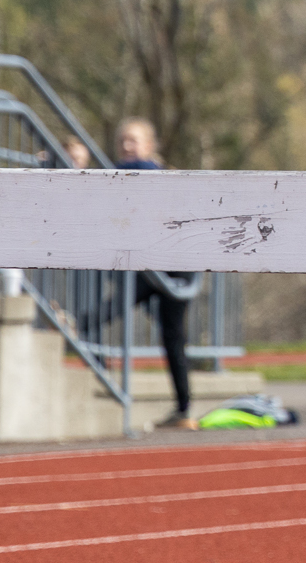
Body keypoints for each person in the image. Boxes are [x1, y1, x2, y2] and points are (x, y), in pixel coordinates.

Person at [113, 117, 197, 432]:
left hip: (173, 267)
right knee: (109, 310)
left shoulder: (147, 171)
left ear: (149, 146)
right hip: (149, 267)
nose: (125, 146)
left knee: (173, 336)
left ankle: (184, 409)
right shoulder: (126, 171)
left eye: (132, 140)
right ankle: (183, 408)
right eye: (122, 140)